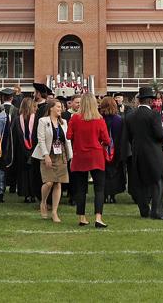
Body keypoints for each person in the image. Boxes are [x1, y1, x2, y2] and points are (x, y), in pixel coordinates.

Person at [122, 87, 163, 220]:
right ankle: (156, 211)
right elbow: (159, 135)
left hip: (137, 152)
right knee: (158, 181)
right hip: (153, 153)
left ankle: (144, 210)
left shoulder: (130, 115)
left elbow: (129, 136)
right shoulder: (154, 115)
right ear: (149, 100)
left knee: (140, 182)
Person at [66, 93, 111, 228]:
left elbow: (68, 136)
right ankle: (98, 217)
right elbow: (107, 140)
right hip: (96, 155)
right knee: (99, 188)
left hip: (80, 155)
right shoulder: (99, 119)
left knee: (80, 188)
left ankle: (82, 217)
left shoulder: (74, 118)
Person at [33, 99, 70, 223]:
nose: (60, 109)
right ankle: (43, 202)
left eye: (61, 107)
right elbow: (41, 139)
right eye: (58, 107)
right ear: (51, 108)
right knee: (49, 183)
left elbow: (67, 140)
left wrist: (70, 155)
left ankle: (54, 211)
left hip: (61, 155)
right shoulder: (43, 121)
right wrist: (46, 155)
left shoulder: (64, 122)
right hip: (48, 154)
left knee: (58, 183)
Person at [12, 96, 41, 204]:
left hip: (21, 150)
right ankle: (33, 194)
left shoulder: (17, 119)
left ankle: (26, 195)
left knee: (23, 173)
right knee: (33, 172)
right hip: (34, 150)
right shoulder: (37, 119)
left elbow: (14, 136)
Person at [100, 97, 125, 204]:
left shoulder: (100, 119)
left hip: (102, 149)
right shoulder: (119, 119)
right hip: (117, 149)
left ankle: (105, 194)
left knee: (104, 171)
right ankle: (113, 195)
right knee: (115, 171)